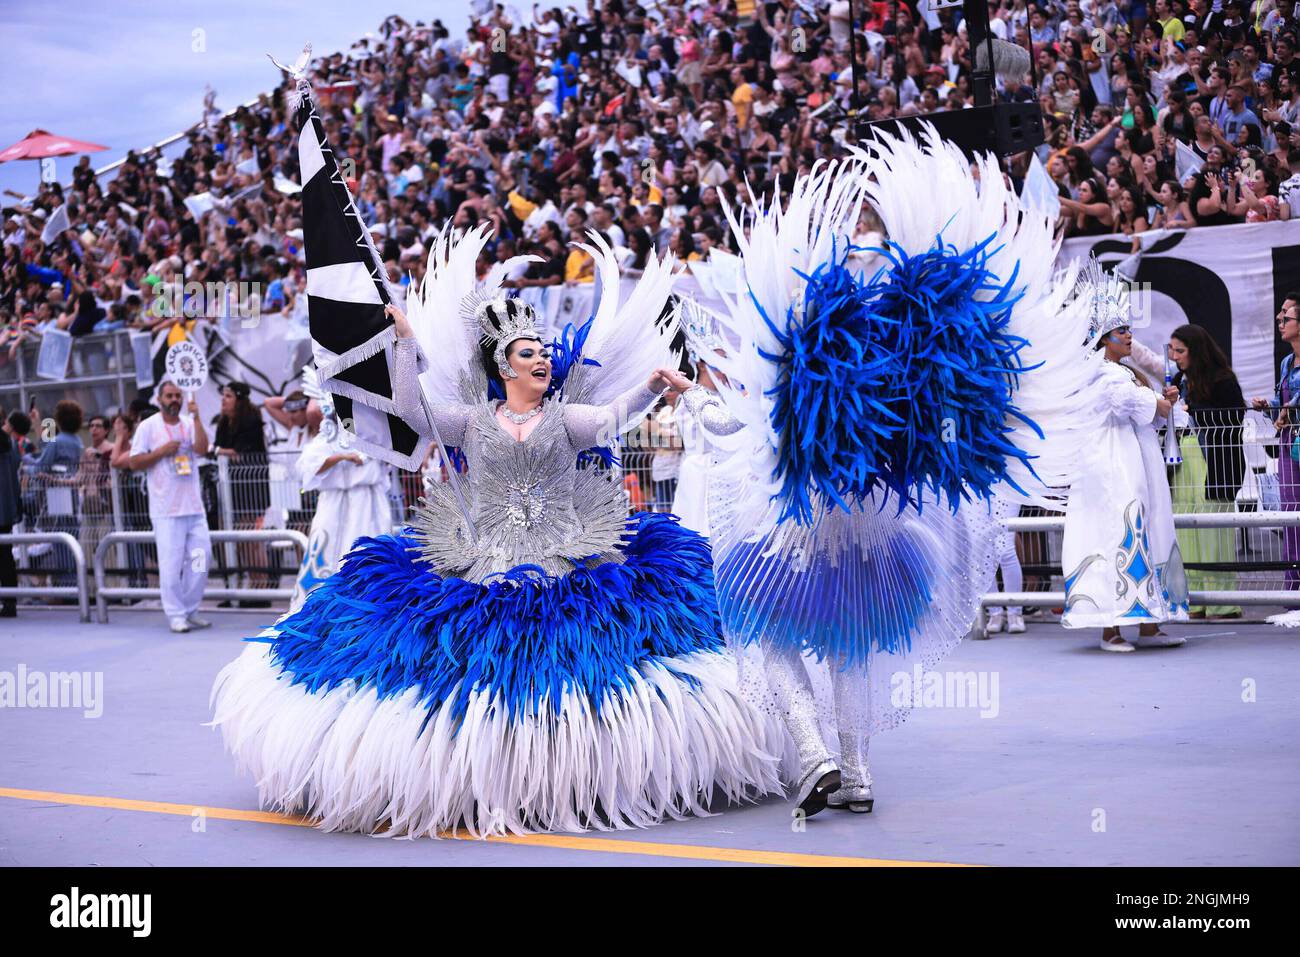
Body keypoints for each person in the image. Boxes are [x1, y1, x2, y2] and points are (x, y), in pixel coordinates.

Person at [212, 228, 784, 837]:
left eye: (543, 352)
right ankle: (480, 779)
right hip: (480, 566)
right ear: (501, 367)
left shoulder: (567, 418)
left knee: (572, 665)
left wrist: (652, 385)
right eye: (528, 354)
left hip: (566, 567)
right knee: (466, 665)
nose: (541, 360)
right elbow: (412, 412)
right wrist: (405, 344)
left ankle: (571, 776)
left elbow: (617, 417)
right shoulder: (468, 420)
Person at [672, 141, 1098, 817]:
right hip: (876, 525)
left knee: (766, 630)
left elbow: (749, 430)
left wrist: (694, 400)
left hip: (805, 522)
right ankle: (859, 774)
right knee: (848, 647)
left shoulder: (816, 350)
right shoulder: (915, 364)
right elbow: (951, 428)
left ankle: (812, 756)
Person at [1061, 261, 1189, 652]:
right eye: (1121, 331)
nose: (1129, 335)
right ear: (1103, 338)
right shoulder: (1101, 374)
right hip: (1109, 464)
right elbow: (1142, 407)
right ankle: (1109, 629)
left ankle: (1149, 622)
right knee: (1117, 530)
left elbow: (1153, 409)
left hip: (1135, 458)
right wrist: (1160, 402)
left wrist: (1160, 402)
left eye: (1129, 329)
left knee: (1148, 526)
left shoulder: (1124, 371)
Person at [286, 379, 394, 613]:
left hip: (367, 503)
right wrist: (341, 458)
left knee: (364, 553)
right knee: (326, 552)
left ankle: (366, 609)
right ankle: (319, 610)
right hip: (332, 505)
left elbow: (387, 458)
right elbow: (306, 465)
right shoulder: (328, 436)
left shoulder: (372, 431)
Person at [1167, 324, 1245, 618]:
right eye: (1172, 350)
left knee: (1215, 535)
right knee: (1185, 531)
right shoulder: (1178, 380)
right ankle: (1194, 600)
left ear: (1196, 351)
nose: (1175, 356)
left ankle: (1223, 603)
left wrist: (1192, 410)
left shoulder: (1222, 380)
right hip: (1182, 466)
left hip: (1214, 465)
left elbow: (1234, 418)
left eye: (1181, 350)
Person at [127, 379, 212, 632]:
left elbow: (203, 449)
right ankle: (176, 613)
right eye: (169, 396)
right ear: (159, 399)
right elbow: (134, 462)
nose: (174, 399)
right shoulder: (147, 427)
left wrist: (197, 418)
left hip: (194, 508)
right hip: (166, 510)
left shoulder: (188, 423)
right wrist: (161, 451)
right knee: (171, 565)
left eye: (177, 395)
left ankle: (191, 608)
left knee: (201, 559)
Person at [1251, 293, 1300, 589]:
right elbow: (1281, 400)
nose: (1280, 321)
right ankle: (1293, 586)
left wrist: (1288, 407)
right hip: (1288, 441)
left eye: (1286, 317)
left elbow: (1292, 402)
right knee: (1290, 510)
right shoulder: (1286, 362)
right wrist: (1268, 406)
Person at [0, 419, 22, 617]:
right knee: (5, 555)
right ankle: (9, 601)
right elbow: (45, 448)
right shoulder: (13, 443)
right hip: (6, 507)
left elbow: (43, 457)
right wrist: (43, 421)